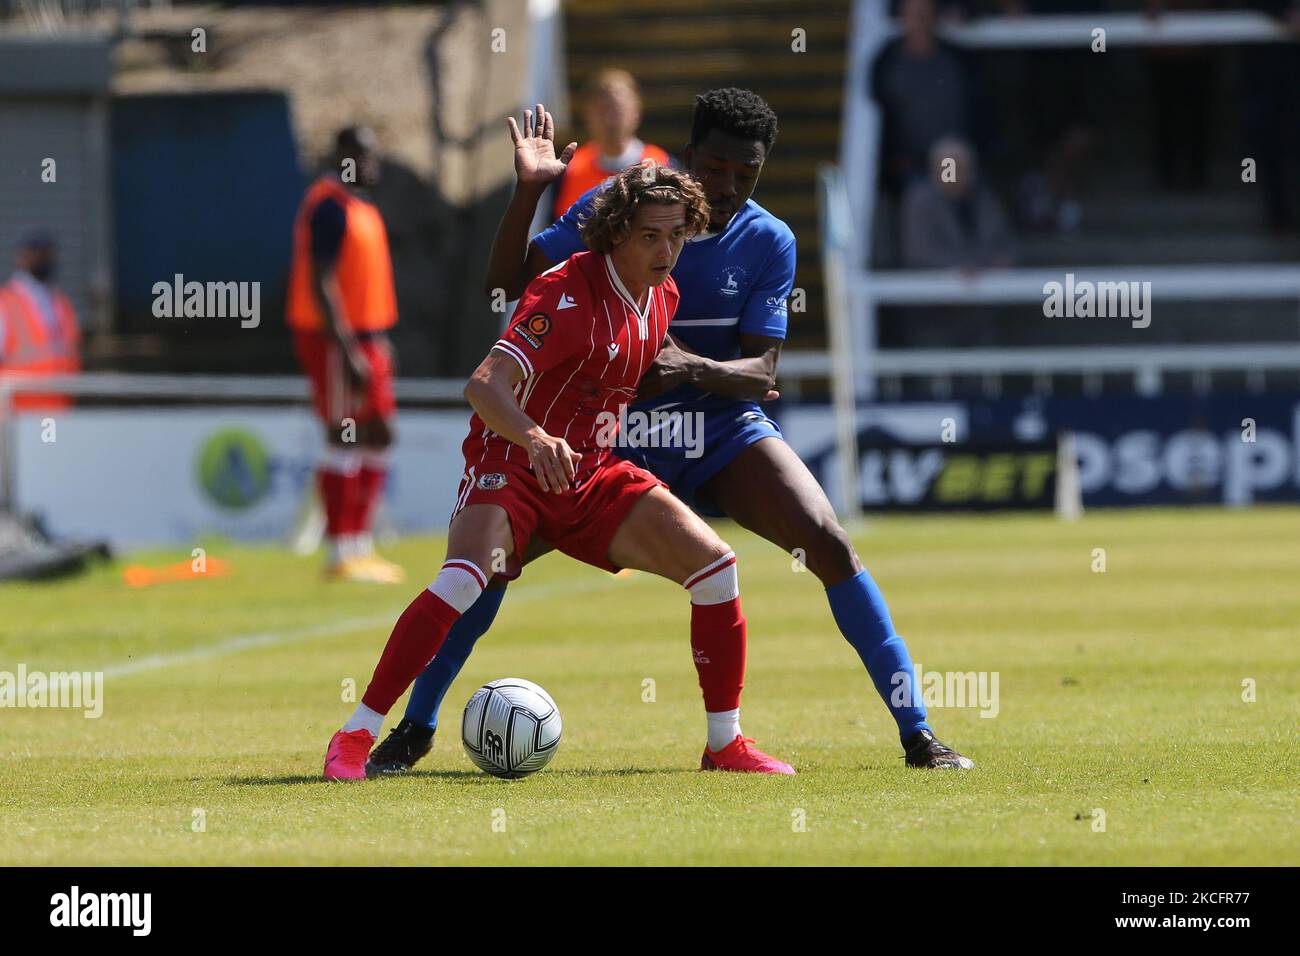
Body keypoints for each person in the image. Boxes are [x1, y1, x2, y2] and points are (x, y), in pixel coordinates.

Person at [370, 89, 974, 774]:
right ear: (688, 157)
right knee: (489, 572)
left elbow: (762, 372)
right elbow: (505, 282)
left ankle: (918, 733)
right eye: (715, 168)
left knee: (829, 543)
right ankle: (413, 727)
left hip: (719, 430)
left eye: (746, 173)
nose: (727, 186)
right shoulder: (624, 211)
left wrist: (691, 366)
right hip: (609, 437)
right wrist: (530, 193)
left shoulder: (769, 240)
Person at [323, 163, 794, 780]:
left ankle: (724, 744)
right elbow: (484, 385)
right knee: (465, 581)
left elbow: (620, 376)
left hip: (589, 475)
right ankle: (357, 731)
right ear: (616, 234)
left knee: (715, 567)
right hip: (512, 464)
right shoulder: (562, 291)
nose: (667, 249)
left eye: (677, 235)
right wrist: (536, 435)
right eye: (651, 236)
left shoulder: (663, 297)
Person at [285, 126, 404, 584]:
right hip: (339, 339)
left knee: (381, 432)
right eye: (362, 155)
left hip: (369, 335)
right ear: (342, 156)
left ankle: (360, 544)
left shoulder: (360, 206)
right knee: (344, 434)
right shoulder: (329, 206)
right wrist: (348, 346)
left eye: (374, 155)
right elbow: (322, 281)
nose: (371, 164)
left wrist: (377, 339)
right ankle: (341, 550)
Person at [550, 69, 671, 221]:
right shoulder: (569, 169)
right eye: (602, 109)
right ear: (587, 114)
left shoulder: (660, 165)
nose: (610, 119)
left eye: (617, 109)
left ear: (636, 111)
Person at [900, 137, 1015, 271]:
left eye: (961, 167)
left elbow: (1004, 243)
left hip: (988, 284)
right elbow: (919, 252)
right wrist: (959, 267)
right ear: (934, 170)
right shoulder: (920, 201)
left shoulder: (985, 200)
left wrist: (995, 262)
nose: (954, 173)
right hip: (934, 285)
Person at [0, 232, 81, 412]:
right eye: (37, 253)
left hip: (58, 411)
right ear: (22, 258)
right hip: (18, 416)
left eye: (47, 254)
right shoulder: (5, 304)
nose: (44, 259)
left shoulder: (60, 302)